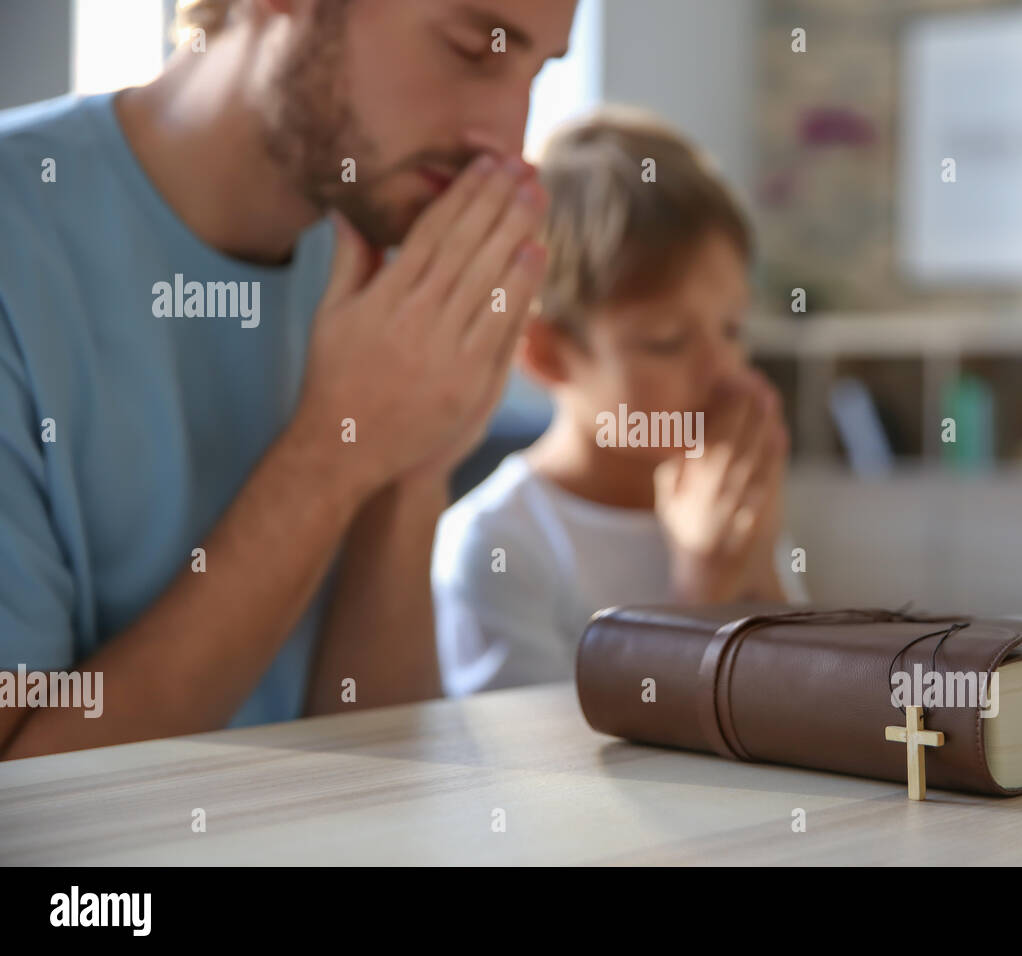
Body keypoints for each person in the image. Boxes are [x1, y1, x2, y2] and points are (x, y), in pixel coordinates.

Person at [0, 0, 578, 759]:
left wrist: (413, 469)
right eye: (473, 50)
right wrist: (334, 455)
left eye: (535, 71)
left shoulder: (396, 254)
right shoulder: (23, 236)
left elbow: (378, 769)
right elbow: (24, 795)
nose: (503, 138)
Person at [433, 109, 806, 697]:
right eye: (666, 342)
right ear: (549, 354)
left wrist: (755, 566)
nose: (723, 371)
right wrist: (701, 586)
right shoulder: (500, 545)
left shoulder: (723, 505)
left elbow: (798, 705)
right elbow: (546, 782)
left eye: (733, 329)